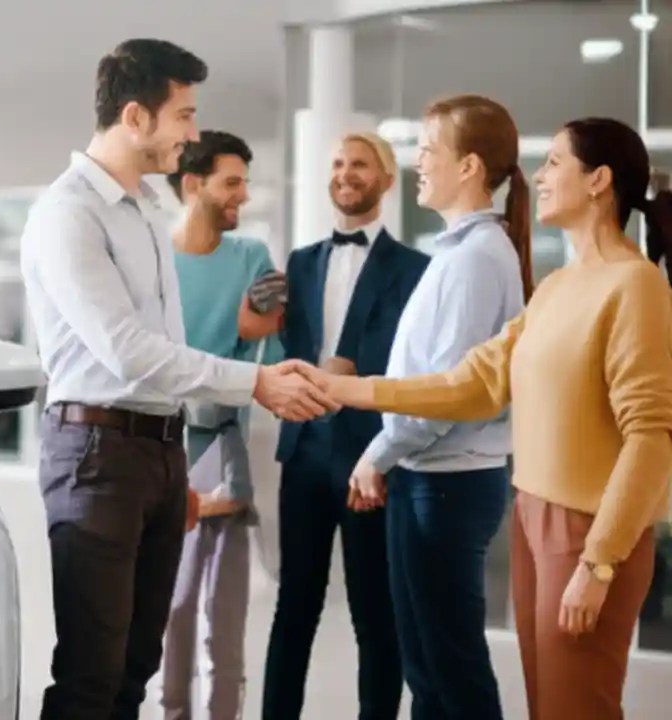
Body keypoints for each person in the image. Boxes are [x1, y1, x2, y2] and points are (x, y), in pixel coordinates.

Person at [309, 117, 672, 720]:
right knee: (547, 706)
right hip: (533, 517)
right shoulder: (558, 287)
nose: (538, 175)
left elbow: (652, 437)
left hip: (589, 529)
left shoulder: (635, 288)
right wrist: (342, 388)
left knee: (575, 708)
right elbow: (471, 383)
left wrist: (599, 561)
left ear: (599, 180)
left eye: (555, 162)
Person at [18, 39, 337, 720]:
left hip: (158, 453)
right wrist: (253, 382)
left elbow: (171, 347)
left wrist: (177, 467)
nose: (192, 134)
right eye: (184, 116)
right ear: (136, 117)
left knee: (137, 666)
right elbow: (129, 351)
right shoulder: (67, 213)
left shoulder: (146, 213)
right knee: (90, 674)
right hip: (98, 457)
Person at [344, 94, 531, 720]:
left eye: (428, 149)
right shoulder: (457, 250)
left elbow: (449, 391)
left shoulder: (477, 257)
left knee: (451, 673)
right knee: (427, 671)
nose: (417, 162)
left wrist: (378, 452)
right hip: (429, 477)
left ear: (471, 166)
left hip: (447, 484)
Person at [260, 131, 429, 720]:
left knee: (374, 611)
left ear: (386, 179)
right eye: (337, 163)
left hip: (370, 454)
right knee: (294, 606)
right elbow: (285, 345)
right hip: (304, 451)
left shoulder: (417, 270)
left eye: (360, 164)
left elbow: (409, 361)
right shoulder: (301, 263)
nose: (345, 173)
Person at [158, 129, 287, 720]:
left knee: (225, 616)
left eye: (244, 183)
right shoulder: (153, 256)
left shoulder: (251, 258)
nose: (243, 195)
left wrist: (261, 326)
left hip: (227, 448)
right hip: (162, 449)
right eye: (231, 183)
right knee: (174, 609)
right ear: (193, 185)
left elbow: (272, 350)